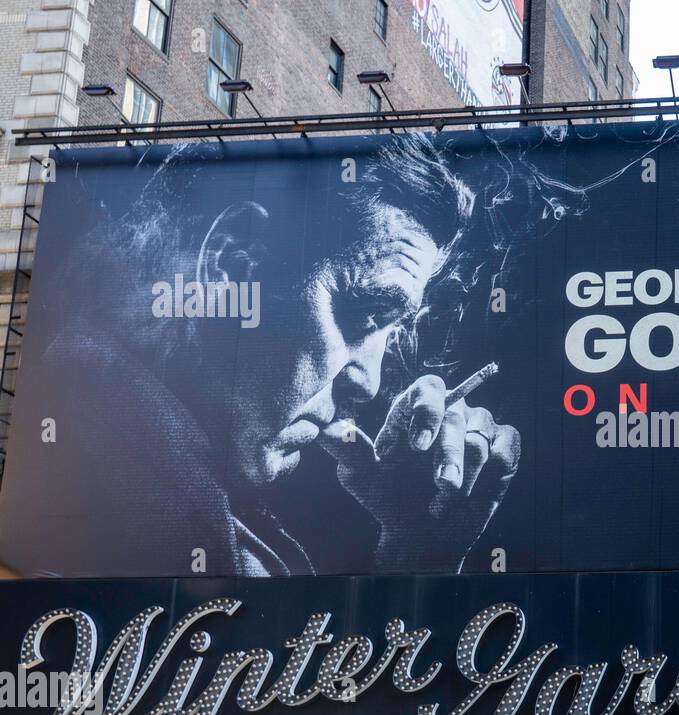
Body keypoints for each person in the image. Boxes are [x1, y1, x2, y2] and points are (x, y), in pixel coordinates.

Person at [0, 134, 520, 577]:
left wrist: (412, 551)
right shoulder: (107, 509)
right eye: (363, 315)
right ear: (230, 264)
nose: (370, 381)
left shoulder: (172, 498)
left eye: (391, 333)